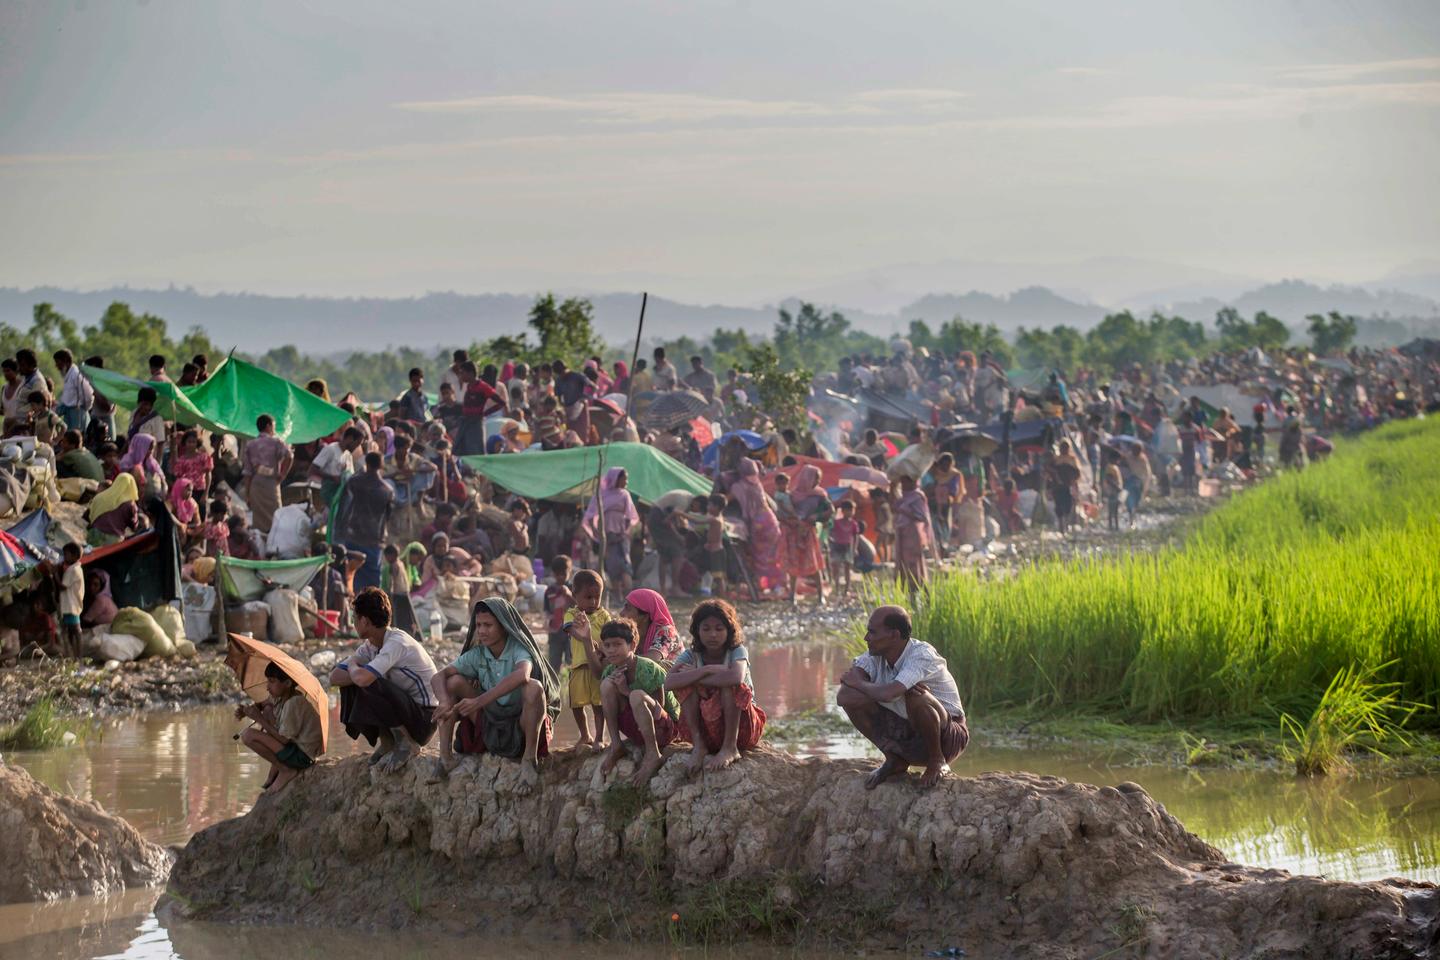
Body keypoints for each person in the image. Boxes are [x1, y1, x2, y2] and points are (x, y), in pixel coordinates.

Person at [429, 597, 562, 794]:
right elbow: (439, 675)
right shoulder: (478, 654)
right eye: (479, 625)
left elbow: (522, 674)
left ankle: (529, 760)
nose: (482, 631)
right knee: (452, 683)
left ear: (504, 625)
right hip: (490, 721)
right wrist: (445, 701)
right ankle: (445, 758)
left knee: (533, 687)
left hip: (520, 723)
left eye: (488, 625)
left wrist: (479, 701)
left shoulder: (518, 649)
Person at [837, 605, 968, 790]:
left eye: (872, 632)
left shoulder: (920, 654)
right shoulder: (874, 656)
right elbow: (843, 697)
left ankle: (937, 761)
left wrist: (861, 685)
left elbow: (889, 693)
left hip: (947, 737)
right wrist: (877, 689)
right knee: (853, 697)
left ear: (894, 635)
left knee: (917, 696)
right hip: (909, 733)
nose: (866, 638)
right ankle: (895, 760)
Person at [329, 587, 438, 772]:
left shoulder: (396, 642)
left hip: (425, 719)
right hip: (408, 712)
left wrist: (355, 667)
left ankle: (406, 745)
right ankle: (388, 742)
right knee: (351, 685)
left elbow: (363, 679)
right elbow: (334, 677)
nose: (354, 623)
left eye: (355, 618)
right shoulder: (370, 645)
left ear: (364, 621)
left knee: (368, 682)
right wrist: (357, 670)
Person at [665, 599, 767, 774]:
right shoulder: (691, 655)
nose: (713, 634)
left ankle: (730, 748)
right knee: (685, 685)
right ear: (697, 631)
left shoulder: (737, 651)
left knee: (731, 685)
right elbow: (669, 682)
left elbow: (735, 677)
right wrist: (707, 670)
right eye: (706, 629)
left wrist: (697, 676)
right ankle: (699, 746)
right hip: (708, 731)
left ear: (729, 631)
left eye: (719, 629)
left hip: (742, 728)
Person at [594, 617, 681, 789]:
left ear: (632, 645)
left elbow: (659, 707)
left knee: (636, 696)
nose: (611, 650)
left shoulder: (648, 668)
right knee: (606, 686)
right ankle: (617, 745)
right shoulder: (610, 671)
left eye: (617, 644)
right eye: (607, 645)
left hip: (664, 728)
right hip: (638, 728)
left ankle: (653, 753)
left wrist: (626, 691)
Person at [236, 662, 325, 795]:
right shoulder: (281, 696)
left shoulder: (294, 703)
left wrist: (259, 719)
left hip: (303, 756)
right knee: (267, 710)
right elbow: (265, 703)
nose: (267, 687)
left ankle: (285, 770)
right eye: (268, 681)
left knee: (248, 735)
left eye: (272, 682)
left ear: (288, 683)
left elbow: (284, 740)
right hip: (294, 747)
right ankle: (275, 771)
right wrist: (247, 710)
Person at [564, 569, 610, 748]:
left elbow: (609, 635)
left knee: (599, 704)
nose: (593, 602)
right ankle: (585, 735)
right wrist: (587, 638)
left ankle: (599, 737)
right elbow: (572, 631)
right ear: (575, 595)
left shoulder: (603, 615)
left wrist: (603, 648)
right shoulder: (572, 614)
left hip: (598, 667)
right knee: (576, 704)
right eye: (588, 597)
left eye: (596, 597)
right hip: (578, 666)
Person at [335, 452, 394, 591]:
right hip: (374, 539)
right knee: (372, 582)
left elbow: (344, 506)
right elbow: (388, 516)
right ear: (381, 465)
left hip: (352, 535)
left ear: (366, 463)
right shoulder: (387, 490)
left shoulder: (354, 482)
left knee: (348, 574)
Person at [727, 459, 783, 592]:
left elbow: (727, 498)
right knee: (774, 555)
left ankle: (761, 585)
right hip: (771, 521)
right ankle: (777, 585)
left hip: (757, 525)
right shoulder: (757, 483)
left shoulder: (738, 486)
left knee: (759, 556)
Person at [582, 467, 639, 595]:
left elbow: (630, 514)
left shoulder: (625, 494)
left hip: (621, 535)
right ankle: (617, 595)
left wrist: (626, 530)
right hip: (607, 535)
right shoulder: (602, 494)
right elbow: (591, 514)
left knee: (626, 566)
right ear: (616, 479)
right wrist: (595, 531)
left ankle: (627, 595)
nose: (626, 481)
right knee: (613, 567)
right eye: (624, 479)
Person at [782, 465, 829, 605]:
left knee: (813, 563)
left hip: (808, 533)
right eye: (815, 479)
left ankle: (821, 595)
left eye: (818, 480)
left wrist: (816, 516)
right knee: (793, 564)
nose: (817, 482)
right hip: (794, 533)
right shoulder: (793, 495)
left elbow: (829, 511)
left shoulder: (820, 495)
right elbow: (786, 511)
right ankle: (792, 595)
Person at [243, 415, 292, 534]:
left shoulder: (250, 444)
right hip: (271, 482)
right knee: (275, 514)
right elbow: (290, 456)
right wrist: (283, 474)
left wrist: (247, 494)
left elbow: (247, 473)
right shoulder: (276, 442)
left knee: (258, 519)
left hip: (256, 483)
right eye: (273, 426)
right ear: (268, 426)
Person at [619, 587, 682, 663]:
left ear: (645, 617)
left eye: (628, 609)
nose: (621, 613)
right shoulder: (629, 632)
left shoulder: (667, 631)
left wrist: (619, 660)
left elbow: (652, 659)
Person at [893, 474, 932, 590]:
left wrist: (905, 512)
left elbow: (921, 516)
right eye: (903, 483)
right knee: (903, 562)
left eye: (907, 482)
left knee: (914, 562)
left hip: (913, 534)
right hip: (902, 533)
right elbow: (893, 507)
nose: (904, 485)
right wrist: (892, 487)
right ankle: (908, 591)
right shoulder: (903, 498)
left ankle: (922, 590)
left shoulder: (917, 497)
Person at [544, 555, 574, 670]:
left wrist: (569, 595)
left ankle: (571, 685)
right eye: (558, 574)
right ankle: (555, 686)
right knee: (554, 662)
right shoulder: (550, 591)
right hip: (555, 631)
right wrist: (547, 621)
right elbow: (546, 609)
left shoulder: (574, 587)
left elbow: (579, 606)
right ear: (553, 574)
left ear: (569, 572)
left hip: (571, 632)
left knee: (571, 661)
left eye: (564, 573)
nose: (561, 577)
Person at [52, 349, 93, 434]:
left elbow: (88, 395)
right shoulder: (68, 376)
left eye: (58, 362)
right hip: (68, 414)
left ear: (66, 361)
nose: (56, 366)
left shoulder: (76, 375)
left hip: (77, 413)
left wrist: (83, 409)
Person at [56, 543, 84, 658]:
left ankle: (79, 659)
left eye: (66, 554)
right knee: (71, 633)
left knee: (76, 632)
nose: (64, 557)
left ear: (74, 556)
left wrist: (54, 574)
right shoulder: (75, 568)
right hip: (69, 606)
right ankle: (75, 658)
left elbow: (63, 586)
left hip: (72, 606)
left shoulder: (72, 570)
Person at [829, 498, 861, 598]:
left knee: (848, 569)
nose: (850, 513)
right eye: (848, 510)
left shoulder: (854, 524)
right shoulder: (836, 522)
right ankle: (837, 589)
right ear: (842, 511)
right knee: (836, 568)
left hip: (848, 547)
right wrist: (831, 542)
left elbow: (856, 536)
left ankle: (847, 589)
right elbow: (830, 532)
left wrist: (855, 548)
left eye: (852, 510)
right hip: (837, 546)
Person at [703, 493, 728, 596]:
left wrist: (681, 514)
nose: (707, 507)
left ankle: (722, 596)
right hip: (714, 550)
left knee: (718, 577)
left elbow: (698, 521)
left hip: (717, 551)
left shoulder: (715, 519)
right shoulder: (718, 518)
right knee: (717, 577)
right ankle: (720, 594)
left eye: (710, 505)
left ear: (717, 507)